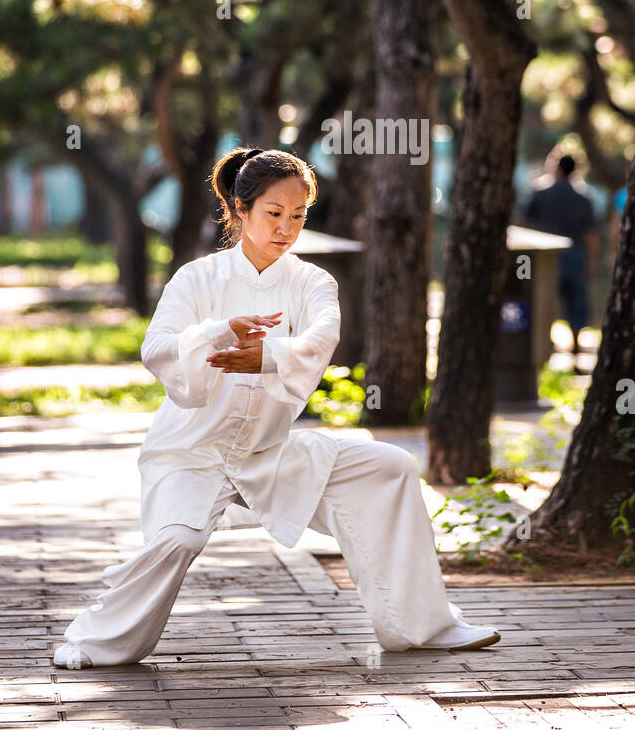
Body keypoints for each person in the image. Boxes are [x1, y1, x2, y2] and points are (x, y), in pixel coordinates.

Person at [53, 146, 500, 668]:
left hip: (271, 452)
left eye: (298, 215)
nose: (286, 227)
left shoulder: (312, 282)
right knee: (178, 539)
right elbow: (157, 349)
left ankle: (422, 626)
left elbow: (321, 337)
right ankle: (98, 642)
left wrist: (269, 355)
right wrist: (219, 331)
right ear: (239, 210)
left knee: (391, 467)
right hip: (191, 453)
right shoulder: (195, 279)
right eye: (273, 213)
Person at [520, 150, 599, 362]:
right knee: (576, 304)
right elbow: (591, 234)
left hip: (545, 258)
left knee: (544, 303)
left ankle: (544, 349)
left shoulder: (539, 194)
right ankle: (575, 347)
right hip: (576, 256)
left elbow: (524, 224)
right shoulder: (583, 198)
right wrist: (592, 262)